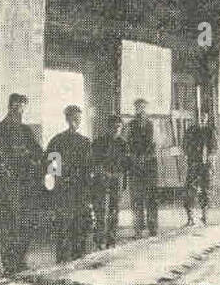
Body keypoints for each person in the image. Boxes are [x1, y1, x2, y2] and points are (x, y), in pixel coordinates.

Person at [0, 92, 43, 275]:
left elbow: (38, 153)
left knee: (26, 223)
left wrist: (33, 160)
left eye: (22, 107)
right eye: (17, 106)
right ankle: (9, 263)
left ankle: (20, 260)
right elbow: (2, 157)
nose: (20, 110)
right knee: (9, 224)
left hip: (26, 183)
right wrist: (24, 158)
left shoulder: (26, 131)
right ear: (10, 106)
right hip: (8, 184)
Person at [45, 105, 93, 263]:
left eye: (78, 119)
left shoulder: (85, 142)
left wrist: (88, 194)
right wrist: (53, 195)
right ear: (66, 119)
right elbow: (52, 171)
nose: (76, 122)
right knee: (63, 231)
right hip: (63, 192)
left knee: (80, 230)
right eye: (73, 119)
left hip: (81, 192)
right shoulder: (57, 141)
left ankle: (79, 263)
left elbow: (89, 170)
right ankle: (62, 264)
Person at [90, 113, 128, 249]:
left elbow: (126, 164)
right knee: (100, 211)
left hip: (116, 180)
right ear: (108, 127)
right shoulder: (98, 142)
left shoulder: (123, 144)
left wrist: (121, 179)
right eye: (113, 127)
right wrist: (103, 172)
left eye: (119, 127)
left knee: (114, 210)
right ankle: (99, 239)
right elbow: (94, 161)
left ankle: (111, 239)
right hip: (101, 179)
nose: (116, 129)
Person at [125, 97, 159, 238]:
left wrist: (145, 157)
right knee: (136, 198)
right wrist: (133, 158)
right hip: (135, 166)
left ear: (146, 109)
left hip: (149, 165)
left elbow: (155, 145)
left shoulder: (152, 125)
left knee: (151, 197)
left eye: (143, 108)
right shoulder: (130, 126)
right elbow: (126, 144)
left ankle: (152, 227)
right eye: (138, 108)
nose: (140, 110)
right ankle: (138, 229)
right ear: (135, 109)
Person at [183, 108, 217, 225]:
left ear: (207, 118)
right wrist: (189, 155)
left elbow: (213, 148)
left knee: (205, 190)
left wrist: (211, 162)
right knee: (189, 190)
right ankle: (190, 218)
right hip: (193, 164)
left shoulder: (210, 131)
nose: (202, 119)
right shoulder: (190, 131)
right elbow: (185, 146)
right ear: (196, 118)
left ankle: (204, 216)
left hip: (205, 165)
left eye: (204, 117)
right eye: (200, 117)